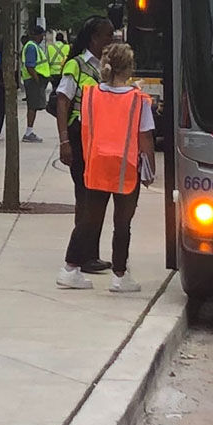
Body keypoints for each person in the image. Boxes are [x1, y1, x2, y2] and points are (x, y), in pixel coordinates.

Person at [57, 43, 152, 291]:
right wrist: (149, 168)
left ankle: (70, 269)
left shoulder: (91, 95)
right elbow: (145, 137)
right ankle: (120, 276)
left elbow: (87, 127)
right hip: (126, 167)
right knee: (122, 223)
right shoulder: (138, 99)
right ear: (129, 68)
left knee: (89, 220)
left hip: (97, 164)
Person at [55, 16, 116, 274]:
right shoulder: (76, 66)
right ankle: (80, 255)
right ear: (93, 38)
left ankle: (90, 252)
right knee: (86, 197)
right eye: (107, 36)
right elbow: (62, 102)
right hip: (79, 139)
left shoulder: (106, 68)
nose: (110, 41)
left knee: (97, 198)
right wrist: (64, 142)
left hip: (99, 140)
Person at [20, 25, 50, 142]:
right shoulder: (32, 47)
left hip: (34, 80)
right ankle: (29, 132)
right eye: (42, 35)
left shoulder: (33, 46)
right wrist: (37, 80)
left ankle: (30, 131)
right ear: (37, 35)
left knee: (35, 106)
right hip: (33, 81)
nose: (43, 38)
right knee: (32, 106)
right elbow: (30, 66)